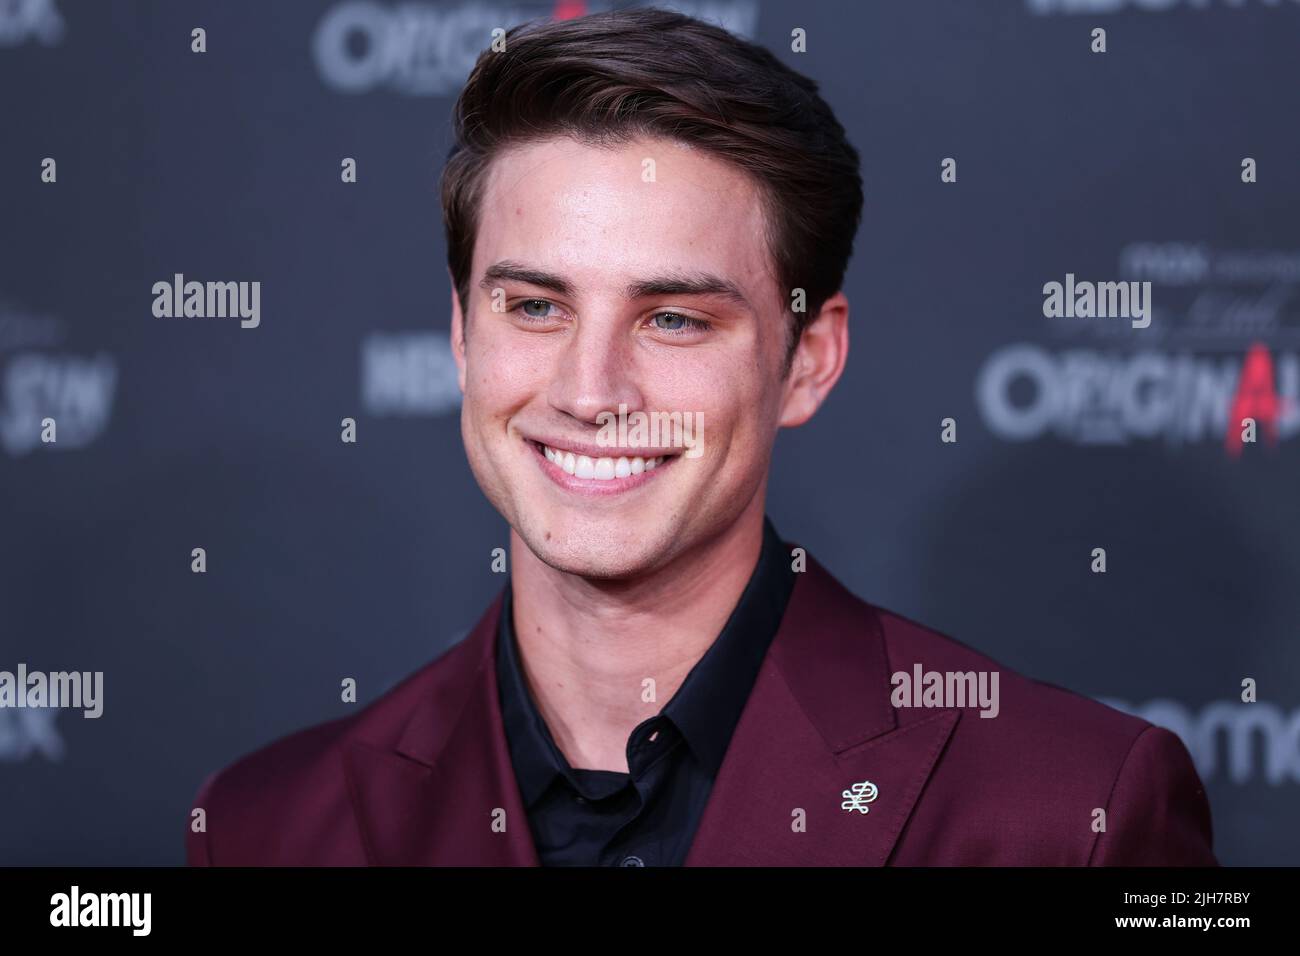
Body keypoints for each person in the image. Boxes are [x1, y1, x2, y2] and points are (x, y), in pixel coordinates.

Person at [187, 8, 1216, 866]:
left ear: (807, 358)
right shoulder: (265, 828)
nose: (592, 392)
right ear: (461, 334)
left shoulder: (1070, 812)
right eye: (535, 306)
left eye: (673, 317)